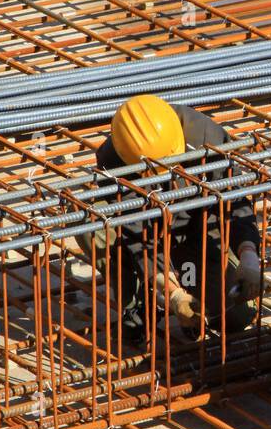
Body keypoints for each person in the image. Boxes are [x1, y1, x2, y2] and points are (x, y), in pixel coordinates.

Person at [82, 94, 261, 343]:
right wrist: (172, 292)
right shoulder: (113, 161)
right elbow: (135, 234)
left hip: (195, 236)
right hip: (148, 239)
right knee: (91, 224)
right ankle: (141, 303)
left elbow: (236, 200)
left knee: (236, 317)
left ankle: (192, 284)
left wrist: (248, 254)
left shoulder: (207, 136)